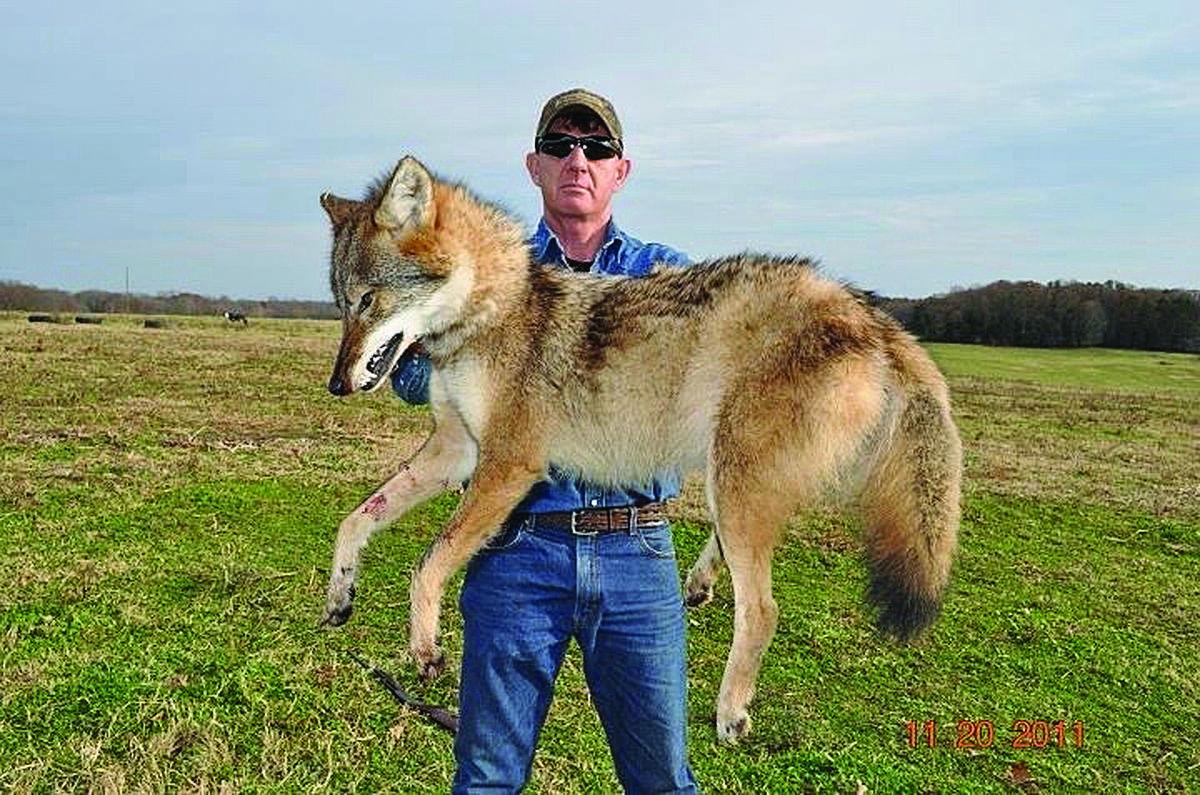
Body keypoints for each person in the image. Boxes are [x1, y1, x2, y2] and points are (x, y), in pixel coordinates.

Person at [391, 88, 699, 794]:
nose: (578, 160)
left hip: (637, 550)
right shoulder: (491, 271)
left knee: (661, 778)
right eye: (560, 147)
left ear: (622, 170)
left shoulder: (668, 274)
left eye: (597, 148)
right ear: (535, 166)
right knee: (488, 777)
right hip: (515, 550)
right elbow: (414, 374)